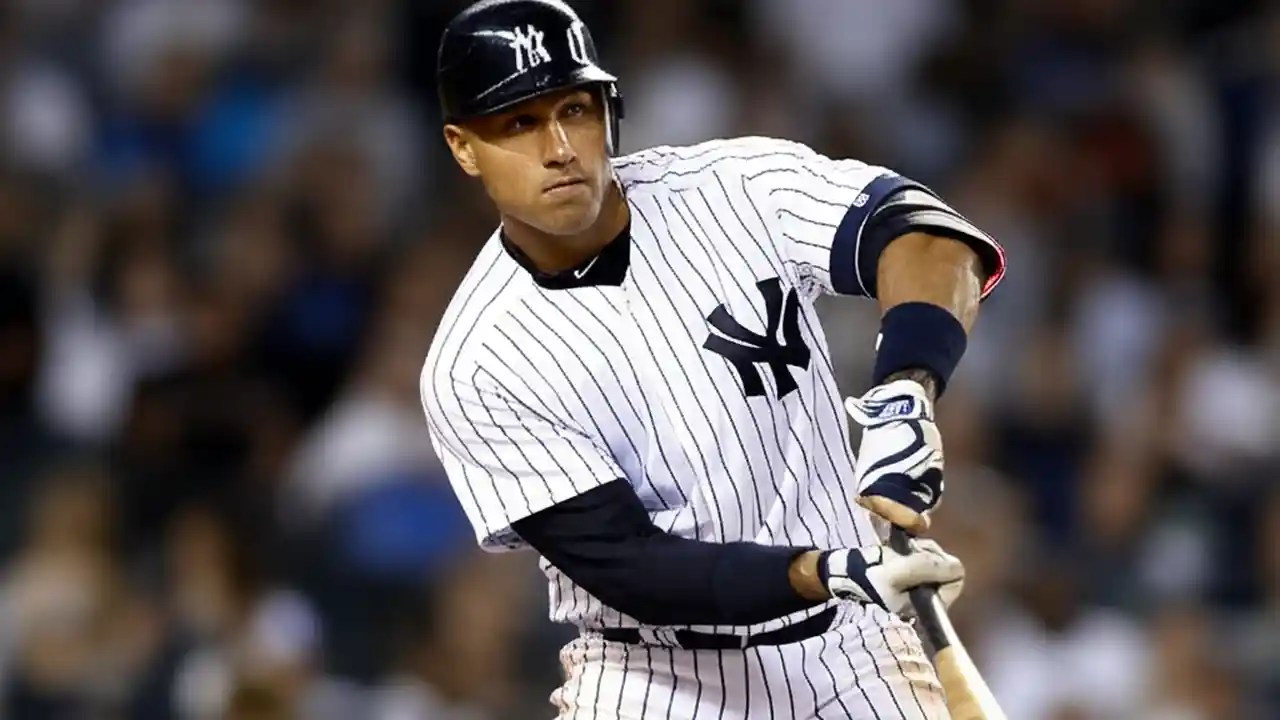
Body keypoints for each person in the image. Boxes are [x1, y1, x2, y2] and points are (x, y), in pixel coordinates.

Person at [421, 1, 1007, 717]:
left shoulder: (733, 190)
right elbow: (632, 568)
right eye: (518, 123)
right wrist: (824, 571)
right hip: (652, 679)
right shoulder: (477, 361)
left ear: (611, 110)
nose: (559, 147)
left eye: (573, 109)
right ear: (463, 147)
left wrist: (907, 390)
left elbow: (926, 235)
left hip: (851, 651)